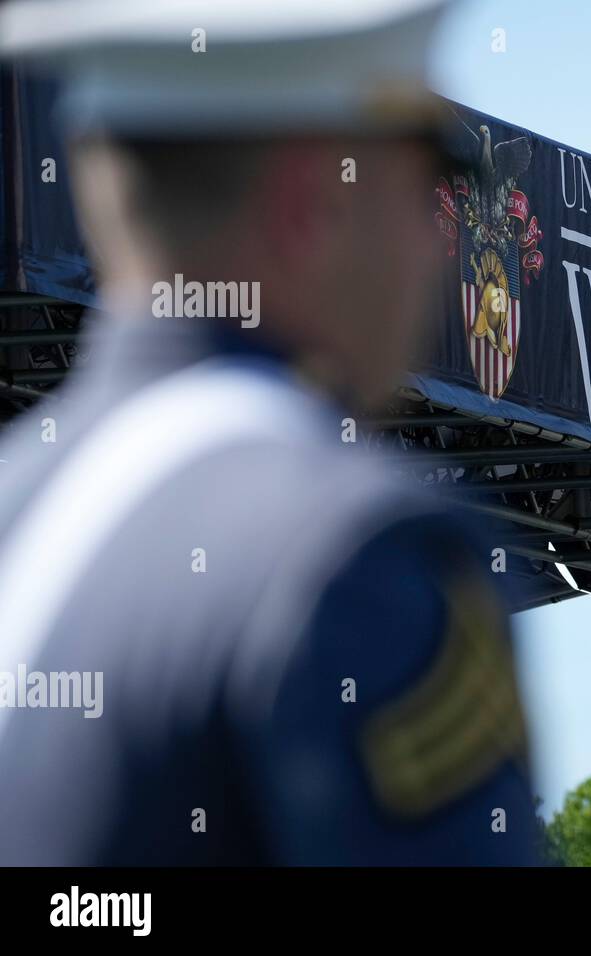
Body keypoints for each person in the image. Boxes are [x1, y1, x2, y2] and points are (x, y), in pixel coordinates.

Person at [0, 0, 540, 864]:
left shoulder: (20, 494)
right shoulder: (356, 545)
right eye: (426, 200)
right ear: (310, 206)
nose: (439, 254)